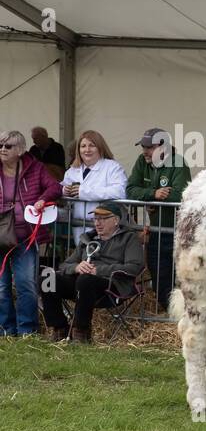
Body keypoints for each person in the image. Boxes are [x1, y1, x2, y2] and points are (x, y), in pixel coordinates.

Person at [41, 202, 145, 343]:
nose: (97, 223)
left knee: (85, 280)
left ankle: (81, 331)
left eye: (103, 219)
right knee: (48, 277)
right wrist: (77, 267)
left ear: (116, 220)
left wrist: (98, 270)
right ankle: (59, 327)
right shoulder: (87, 239)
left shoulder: (128, 238)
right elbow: (65, 265)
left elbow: (135, 267)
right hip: (82, 285)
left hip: (112, 286)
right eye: (95, 219)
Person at [1, 130, 61, 336]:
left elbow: (55, 187)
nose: (2, 149)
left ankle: (27, 330)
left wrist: (43, 198)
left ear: (20, 150)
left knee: (26, 283)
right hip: (0, 235)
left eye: (7, 146)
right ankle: (6, 331)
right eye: (0, 145)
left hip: (26, 235)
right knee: (1, 287)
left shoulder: (35, 167)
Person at [125, 127, 191, 310]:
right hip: (156, 230)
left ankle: (183, 312)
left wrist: (153, 197)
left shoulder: (178, 163)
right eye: (143, 147)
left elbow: (180, 195)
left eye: (149, 147)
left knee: (182, 275)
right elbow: (130, 189)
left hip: (178, 232)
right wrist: (153, 194)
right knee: (157, 272)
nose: (145, 151)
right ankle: (167, 310)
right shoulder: (142, 161)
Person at [61, 130, 127, 239]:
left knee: (104, 255)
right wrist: (64, 190)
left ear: (100, 147)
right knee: (85, 254)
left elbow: (120, 191)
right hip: (79, 225)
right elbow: (60, 189)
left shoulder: (112, 167)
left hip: (106, 227)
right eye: (83, 146)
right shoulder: (72, 170)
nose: (87, 150)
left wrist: (84, 192)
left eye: (92, 145)